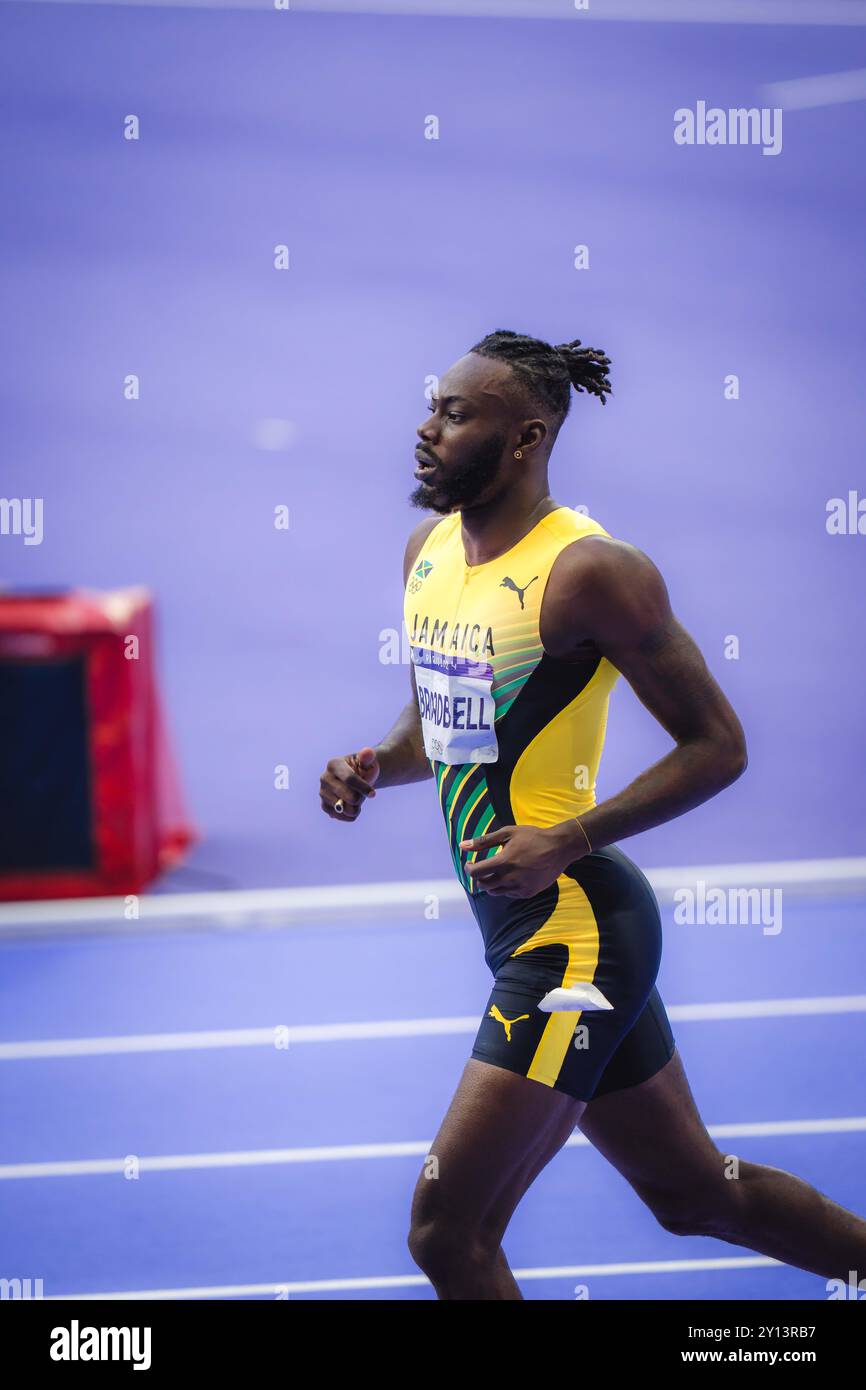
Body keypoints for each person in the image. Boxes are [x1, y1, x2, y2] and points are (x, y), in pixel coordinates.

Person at [320, 329, 866, 1300]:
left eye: (453, 414)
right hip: (525, 927)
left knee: (449, 1232)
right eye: (430, 407)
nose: (424, 428)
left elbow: (717, 745)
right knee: (697, 1194)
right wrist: (375, 764)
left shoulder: (590, 571)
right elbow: (444, 727)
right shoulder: (428, 552)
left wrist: (564, 837)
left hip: (572, 936)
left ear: (525, 438)